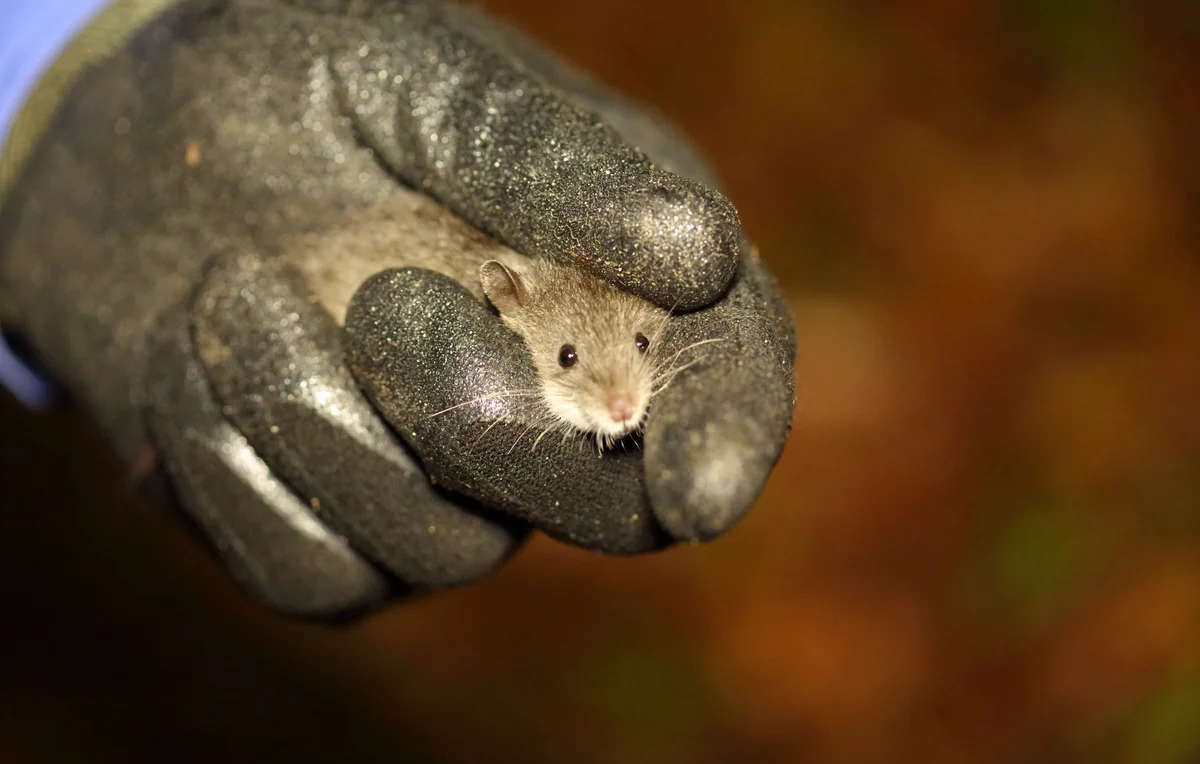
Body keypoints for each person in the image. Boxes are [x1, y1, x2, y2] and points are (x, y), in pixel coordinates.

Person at [0, 0, 795, 619]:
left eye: (643, 346)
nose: (622, 401)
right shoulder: (499, 289)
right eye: (569, 362)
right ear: (505, 303)